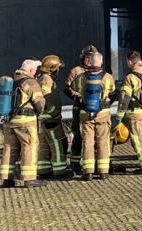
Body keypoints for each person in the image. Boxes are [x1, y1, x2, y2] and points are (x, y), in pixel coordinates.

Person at [0, 59, 46, 188]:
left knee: (9, 149)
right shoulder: (30, 82)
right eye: (35, 70)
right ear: (30, 70)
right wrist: (39, 111)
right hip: (25, 122)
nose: (36, 73)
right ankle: (29, 178)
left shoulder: (12, 80)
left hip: (9, 121)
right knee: (29, 147)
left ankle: (7, 179)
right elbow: (39, 104)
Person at [73, 50, 115, 181]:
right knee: (103, 141)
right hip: (103, 114)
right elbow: (113, 92)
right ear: (101, 62)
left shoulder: (81, 77)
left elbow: (75, 91)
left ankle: (88, 171)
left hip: (86, 113)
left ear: (89, 62)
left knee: (88, 142)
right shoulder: (108, 77)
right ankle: (103, 171)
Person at [114, 51, 142, 174]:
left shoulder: (130, 77)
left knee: (139, 140)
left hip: (136, 114)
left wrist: (119, 116)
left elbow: (125, 98)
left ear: (129, 62)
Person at [37, 55, 72, 179]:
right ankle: (60, 171)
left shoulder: (41, 78)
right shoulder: (47, 80)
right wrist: (53, 112)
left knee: (45, 146)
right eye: (57, 68)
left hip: (43, 120)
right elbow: (45, 98)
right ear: (52, 68)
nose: (59, 70)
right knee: (59, 143)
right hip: (51, 119)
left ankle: (44, 171)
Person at [64, 44, 98, 173]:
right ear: (83, 58)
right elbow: (66, 88)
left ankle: (93, 163)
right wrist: (77, 97)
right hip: (79, 107)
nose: (89, 60)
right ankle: (75, 163)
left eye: (91, 57)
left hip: (94, 109)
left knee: (94, 137)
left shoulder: (98, 72)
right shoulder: (76, 71)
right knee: (77, 135)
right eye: (87, 57)